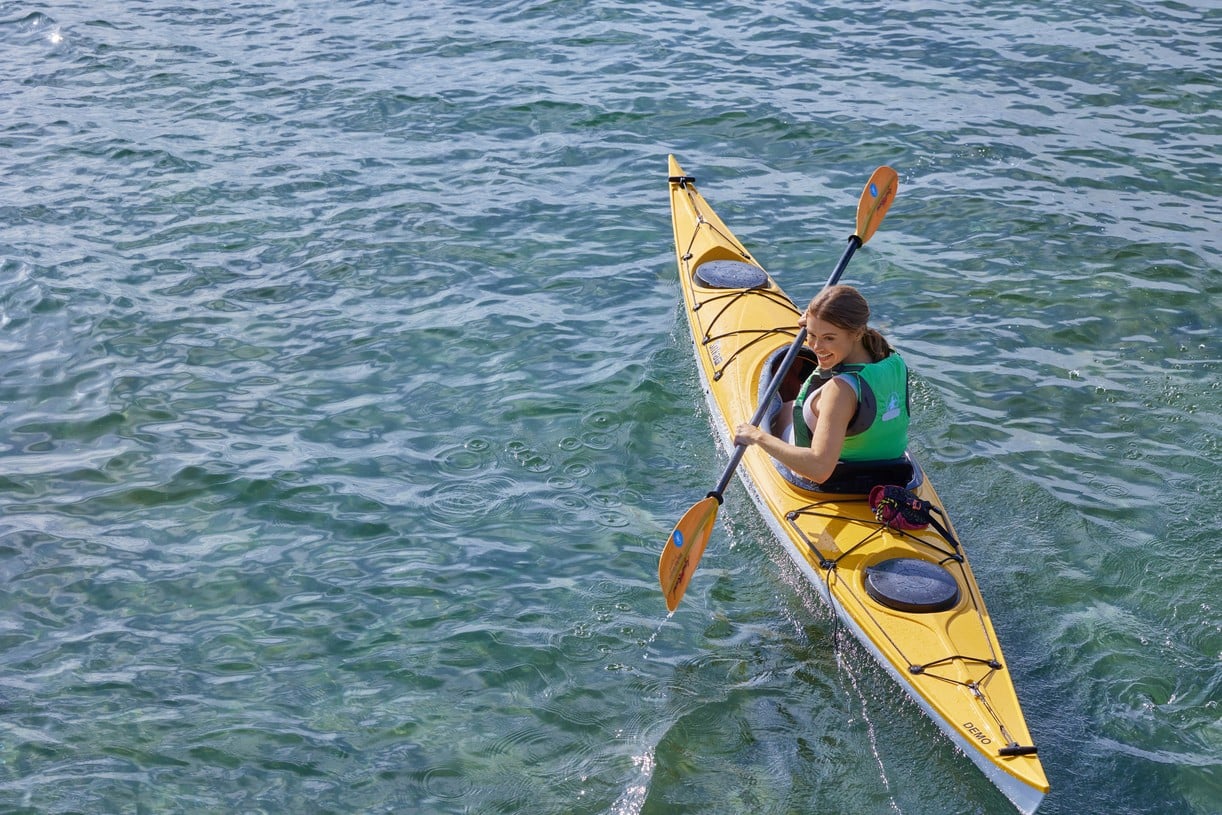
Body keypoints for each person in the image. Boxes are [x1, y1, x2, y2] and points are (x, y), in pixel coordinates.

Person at [734, 285, 909, 484]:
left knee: (787, 409)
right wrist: (815, 324)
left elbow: (819, 470)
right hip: (893, 471)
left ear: (858, 333)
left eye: (828, 338)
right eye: (811, 335)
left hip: (838, 478)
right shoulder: (894, 360)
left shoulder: (840, 390)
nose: (816, 347)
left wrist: (757, 436)